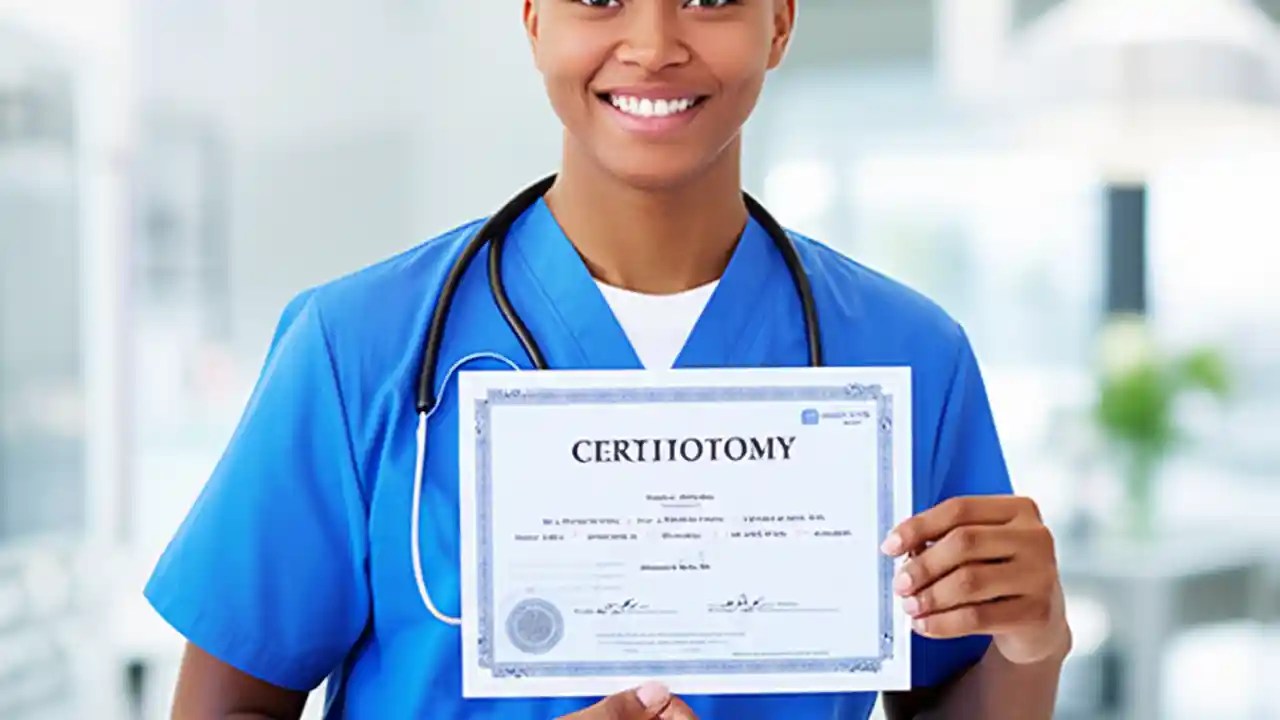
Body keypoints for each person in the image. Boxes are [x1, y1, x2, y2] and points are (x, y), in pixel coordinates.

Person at [144, 0, 1072, 718]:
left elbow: (946, 695)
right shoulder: (359, 349)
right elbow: (227, 704)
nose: (655, 43)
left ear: (780, 21)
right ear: (533, 18)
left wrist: (1030, 645)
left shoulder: (909, 358)